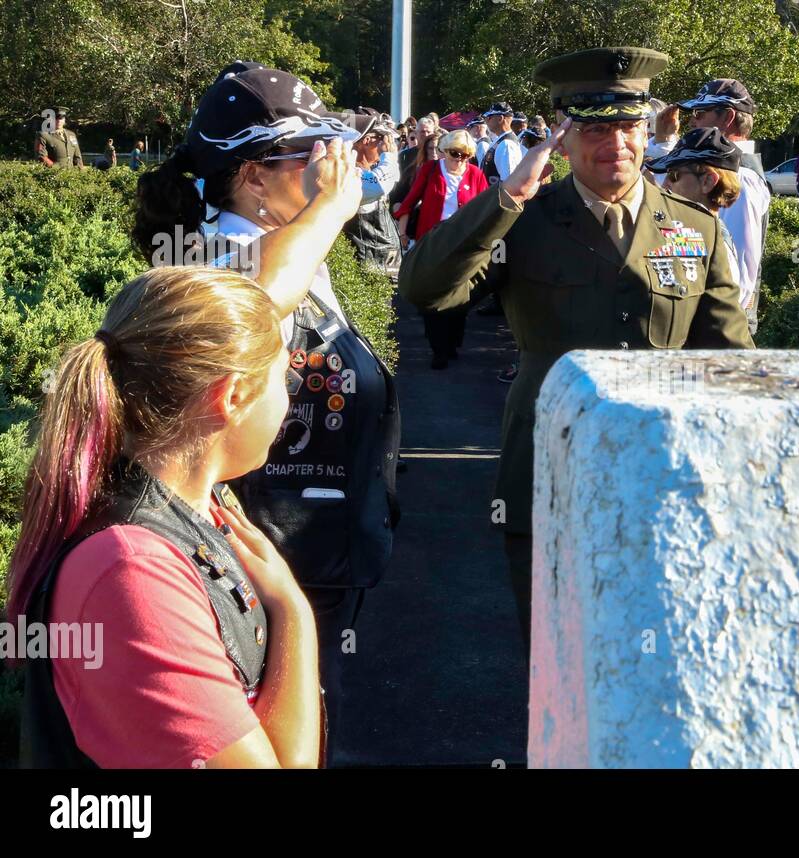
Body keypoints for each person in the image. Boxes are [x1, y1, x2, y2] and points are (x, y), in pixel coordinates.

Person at [399, 47, 753, 648]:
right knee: (557, 661)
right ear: (561, 137)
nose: (614, 143)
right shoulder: (522, 221)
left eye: (627, 126)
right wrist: (506, 198)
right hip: (549, 476)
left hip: (662, 480)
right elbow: (426, 289)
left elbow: (729, 360)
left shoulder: (697, 227)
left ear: (647, 130)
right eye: (594, 128)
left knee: (660, 658)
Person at [131, 65, 401, 764]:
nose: (334, 167)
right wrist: (330, 211)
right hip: (261, 550)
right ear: (253, 176)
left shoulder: (284, 243)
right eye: (314, 152)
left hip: (308, 545)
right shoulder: (220, 258)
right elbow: (249, 316)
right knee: (285, 728)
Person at [9, 266, 323, 768]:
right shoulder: (132, 570)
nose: (290, 398)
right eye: (283, 377)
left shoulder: (205, 505)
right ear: (234, 395)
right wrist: (293, 612)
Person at [660, 78, 771, 335]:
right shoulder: (730, 170)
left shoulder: (740, 177)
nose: (692, 121)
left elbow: (737, 269)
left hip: (719, 326)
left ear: (728, 117)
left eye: (700, 113)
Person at [394, 129, 489, 368]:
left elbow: (485, 209)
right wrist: (403, 233)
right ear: (444, 152)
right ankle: (438, 350)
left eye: (466, 155)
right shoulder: (430, 170)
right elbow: (410, 201)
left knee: (459, 297)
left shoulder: (476, 174)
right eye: (456, 154)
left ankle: (452, 341)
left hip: (464, 245)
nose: (460, 160)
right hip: (431, 242)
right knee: (431, 296)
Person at [649, 126, 743, 284]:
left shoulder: (713, 245)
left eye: (674, 175)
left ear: (707, 181)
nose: (664, 184)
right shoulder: (696, 233)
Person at [342, 108, 402, 270]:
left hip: (380, 264)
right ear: (367, 140)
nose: (388, 145)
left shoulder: (368, 170)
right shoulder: (348, 172)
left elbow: (391, 178)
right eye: (383, 139)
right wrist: (389, 156)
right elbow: (379, 185)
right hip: (368, 266)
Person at [481, 102, 524, 185]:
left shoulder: (507, 144)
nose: (486, 120)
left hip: (497, 197)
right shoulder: (501, 140)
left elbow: (509, 182)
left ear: (500, 118)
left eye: (489, 117)